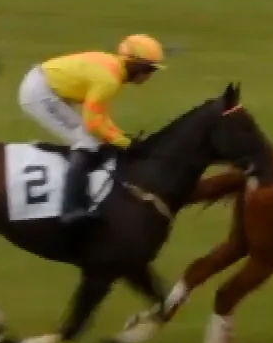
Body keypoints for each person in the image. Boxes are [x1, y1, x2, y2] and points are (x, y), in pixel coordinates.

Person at [17, 34, 165, 224]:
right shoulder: (108, 79)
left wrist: (120, 137)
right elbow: (93, 122)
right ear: (135, 64)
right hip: (40, 93)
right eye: (149, 69)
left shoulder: (113, 70)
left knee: (93, 140)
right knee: (86, 141)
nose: (149, 75)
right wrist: (124, 142)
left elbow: (100, 116)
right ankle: (70, 208)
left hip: (47, 87)